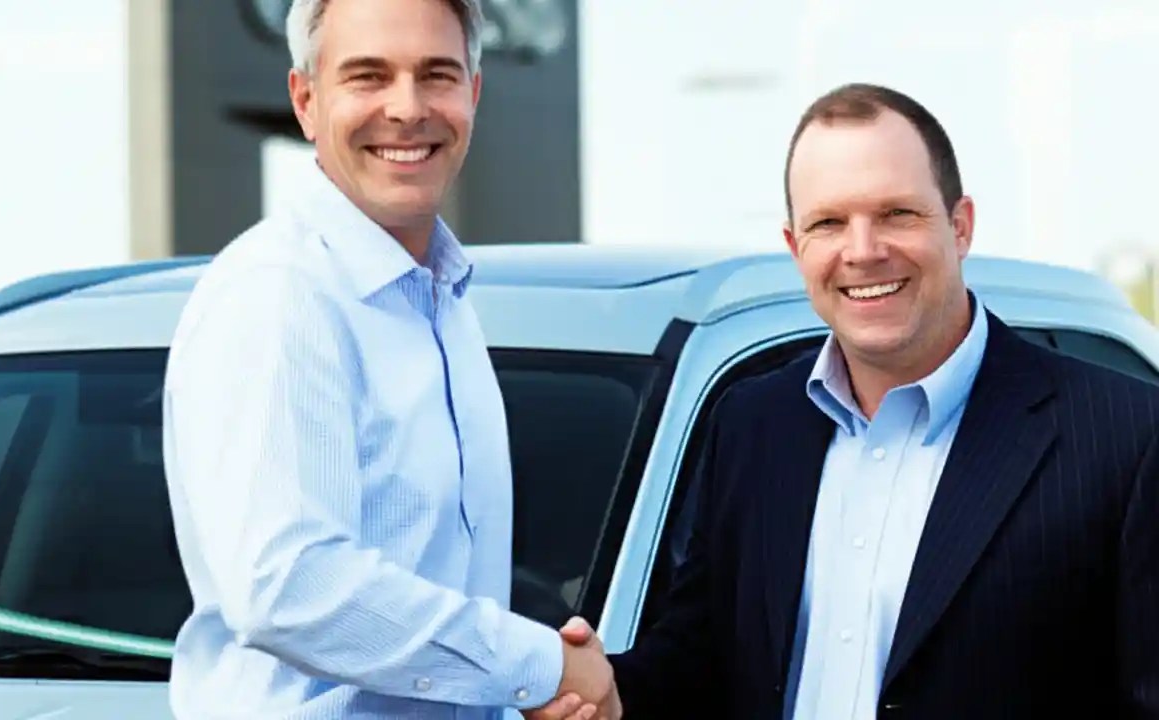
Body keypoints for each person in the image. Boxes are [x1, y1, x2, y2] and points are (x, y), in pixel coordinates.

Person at [553, 82, 1159, 719]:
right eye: (829, 222)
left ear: (960, 226)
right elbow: (702, 660)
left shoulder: (1126, 437)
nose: (863, 251)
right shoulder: (753, 424)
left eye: (897, 213)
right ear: (796, 248)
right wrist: (611, 695)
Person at [161, 0, 617, 717]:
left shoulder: (441, 301)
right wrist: (538, 664)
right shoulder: (280, 295)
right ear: (306, 101)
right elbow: (290, 586)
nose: (407, 110)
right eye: (368, 76)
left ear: (474, 93)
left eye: (436, 75)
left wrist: (524, 691)